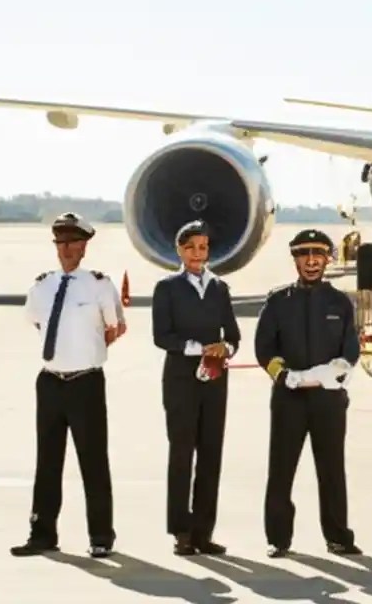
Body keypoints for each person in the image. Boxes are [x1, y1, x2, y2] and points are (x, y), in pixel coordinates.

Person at [11, 212, 126, 558]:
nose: (65, 249)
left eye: (72, 242)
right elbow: (36, 323)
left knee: (93, 460)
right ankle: (42, 533)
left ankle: (101, 536)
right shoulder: (42, 286)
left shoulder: (99, 285)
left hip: (85, 382)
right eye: (60, 243)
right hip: (50, 382)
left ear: (84, 246)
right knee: (47, 461)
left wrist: (85, 351)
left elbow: (114, 328)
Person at [254, 228, 363, 558]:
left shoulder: (340, 302)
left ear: (328, 260)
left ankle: (338, 537)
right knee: (281, 469)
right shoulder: (277, 301)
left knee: (331, 469)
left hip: (328, 399)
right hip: (289, 399)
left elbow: (350, 351)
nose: (312, 261)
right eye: (304, 255)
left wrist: (327, 374)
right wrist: (284, 375)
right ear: (295, 260)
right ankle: (278, 538)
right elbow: (264, 348)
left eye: (318, 255)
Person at [151, 219, 241, 556]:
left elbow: (232, 334)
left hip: (214, 380)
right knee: (182, 453)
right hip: (180, 380)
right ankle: (181, 531)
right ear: (179, 250)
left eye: (203, 247)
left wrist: (225, 349)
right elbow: (162, 336)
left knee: (211, 454)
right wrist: (199, 347)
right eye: (190, 247)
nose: (197, 254)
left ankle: (204, 531)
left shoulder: (219, 288)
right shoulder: (168, 287)